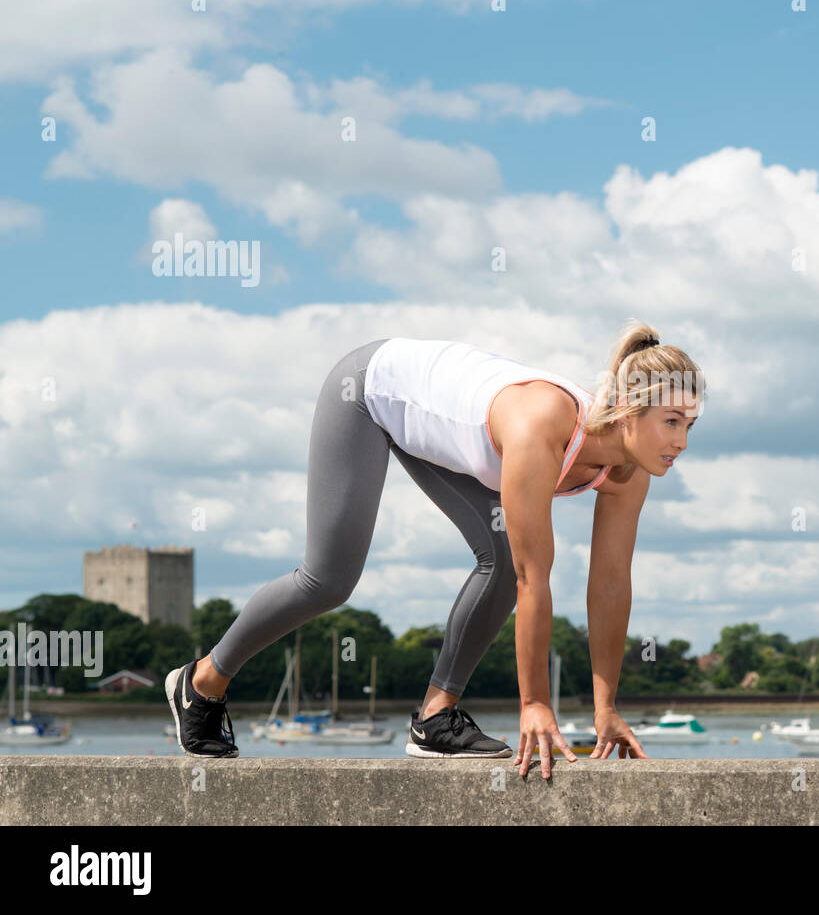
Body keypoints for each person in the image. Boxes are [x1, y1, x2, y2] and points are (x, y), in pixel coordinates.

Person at [165, 319, 705, 779]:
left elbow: (610, 583)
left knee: (494, 565)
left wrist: (605, 707)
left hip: (449, 429)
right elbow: (532, 577)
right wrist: (536, 704)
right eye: (671, 422)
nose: (681, 441)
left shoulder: (630, 473)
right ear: (630, 411)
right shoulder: (542, 427)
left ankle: (434, 720)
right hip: (371, 392)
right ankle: (201, 682)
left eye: (690, 425)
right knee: (329, 579)